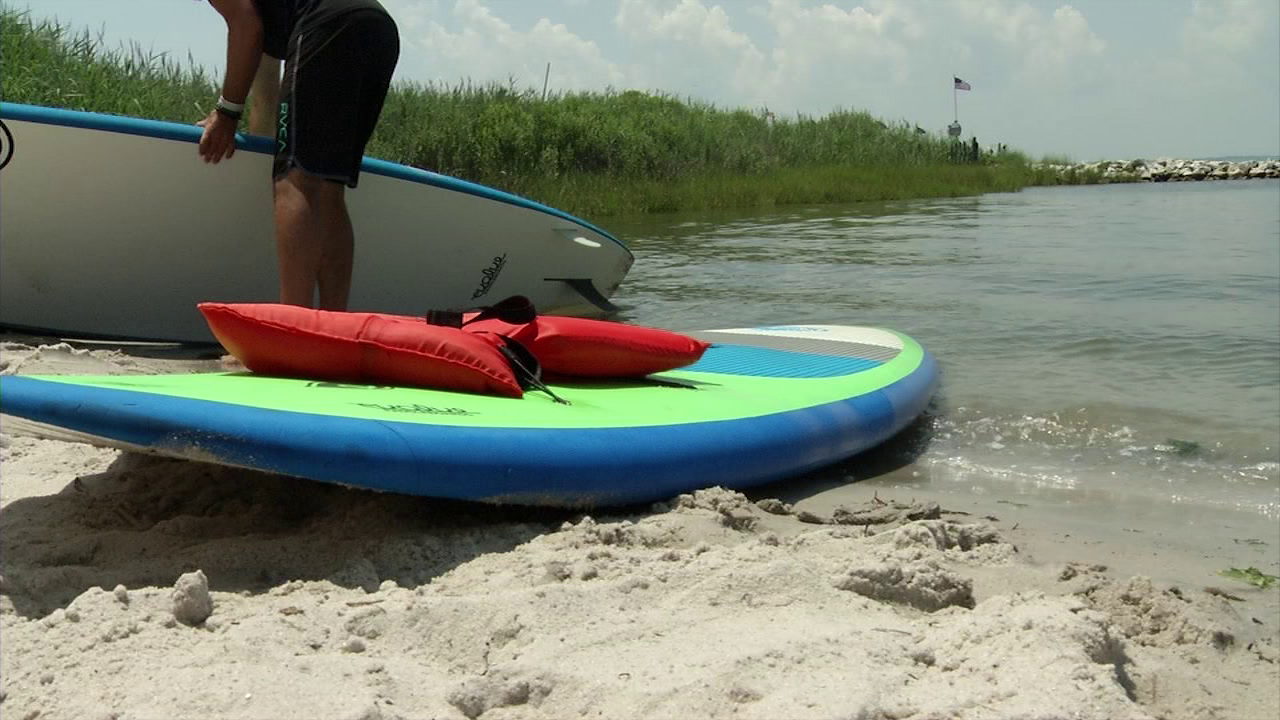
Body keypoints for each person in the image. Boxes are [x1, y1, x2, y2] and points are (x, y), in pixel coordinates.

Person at [197, 0, 399, 310]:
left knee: (295, 180)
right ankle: (331, 329)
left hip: (329, 22)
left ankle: (289, 328)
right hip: (376, 25)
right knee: (330, 188)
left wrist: (226, 111)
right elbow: (264, 86)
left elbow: (246, 24)